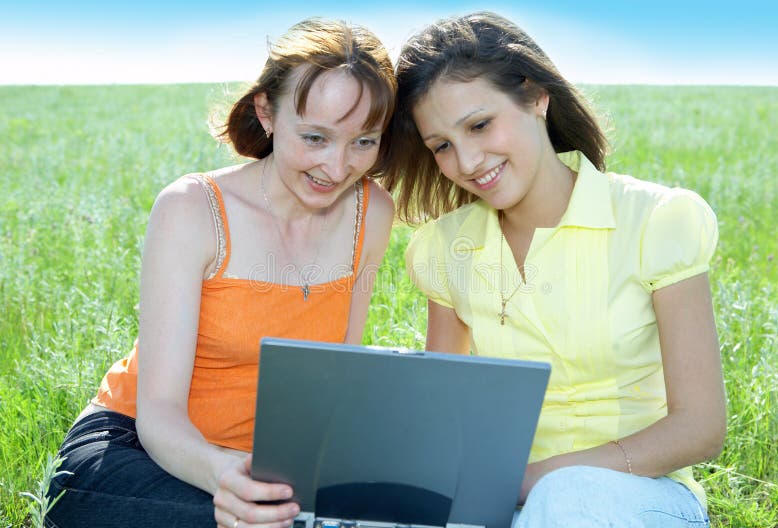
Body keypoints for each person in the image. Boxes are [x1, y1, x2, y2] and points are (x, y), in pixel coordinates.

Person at [46, 18, 396, 528]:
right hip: (135, 448)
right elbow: (159, 414)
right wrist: (225, 477)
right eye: (315, 137)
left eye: (364, 142)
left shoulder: (372, 213)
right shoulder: (192, 208)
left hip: (265, 466)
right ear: (266, 113)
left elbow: (332, 378)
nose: (338, 166)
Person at [382, 11, 726, 527]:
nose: (469, 161)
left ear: (536, 96)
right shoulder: (444, 249)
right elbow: (444, 415)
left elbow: (700, 427)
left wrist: (537, 480)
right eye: (443, 147)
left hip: (643, 496)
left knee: (567, 501)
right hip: (503, 501)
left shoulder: (656, 220)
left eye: (480, 125)